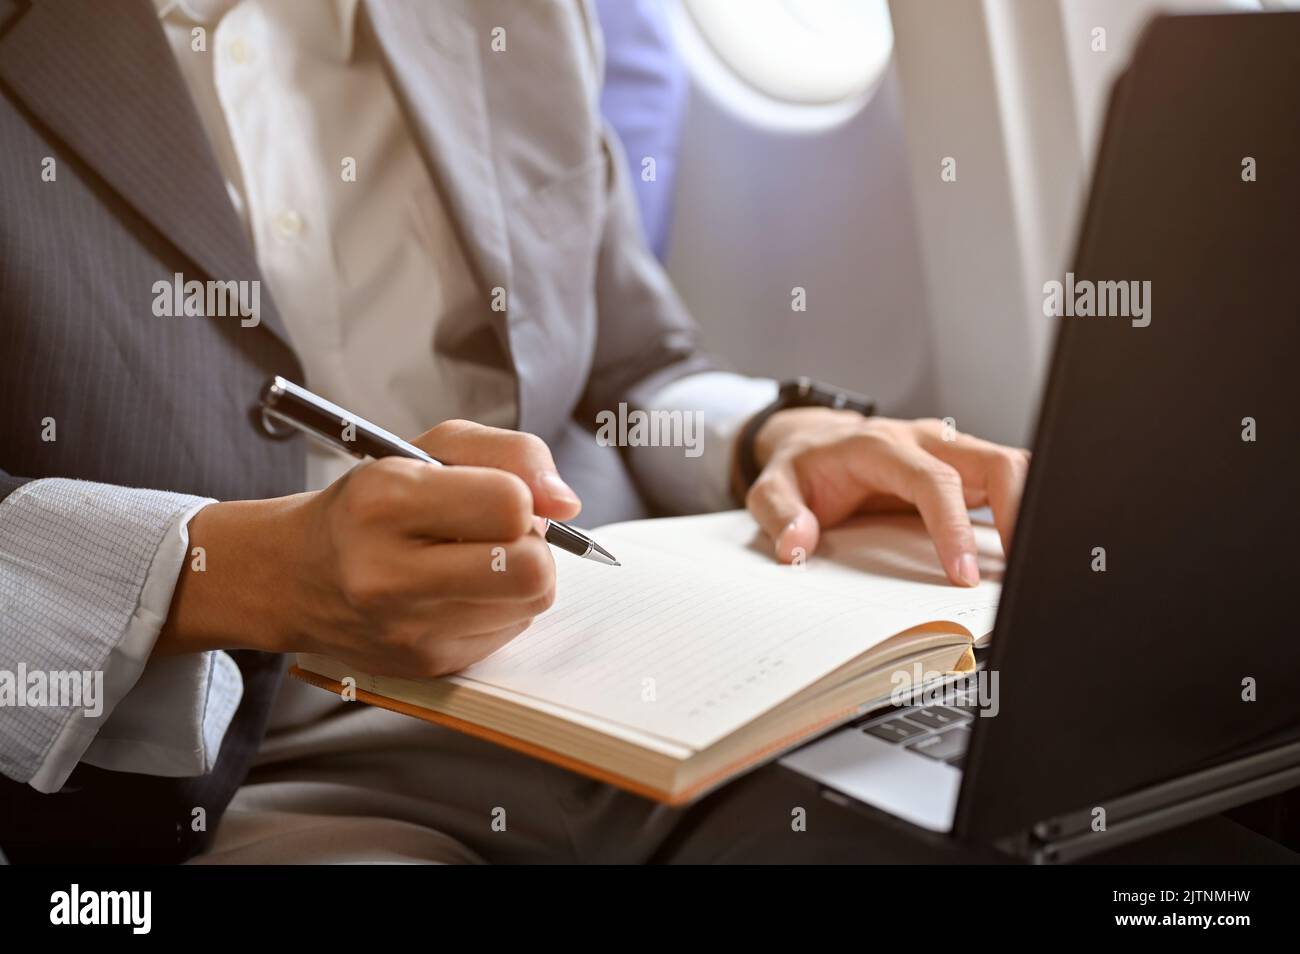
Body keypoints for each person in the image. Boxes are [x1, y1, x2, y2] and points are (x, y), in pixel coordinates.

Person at [0, 0, 1028, 863]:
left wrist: (774, 434)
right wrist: (246, 577)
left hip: (640, 682)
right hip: (254, 765)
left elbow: (631, 363)